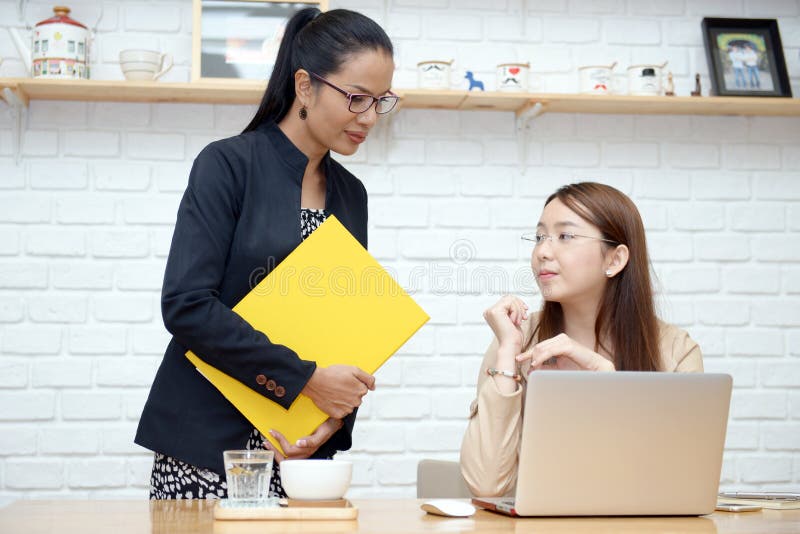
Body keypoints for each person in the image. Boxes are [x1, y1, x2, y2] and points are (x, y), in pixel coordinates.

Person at [135, 7, 397, 499]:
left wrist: (333, 422)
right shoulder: (227, 165)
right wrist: (304, 381)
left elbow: (347, 325)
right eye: (356, 97)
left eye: (380, 100)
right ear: (305, 86)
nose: (368, 117)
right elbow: (188, 305)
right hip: (205, 446)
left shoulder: (351, 194)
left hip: (300, 453)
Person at [459, 182, 703, 497]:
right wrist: (507, 352)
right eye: (539, 237)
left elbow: (681, 481)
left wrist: (605, 378)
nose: (542, 252)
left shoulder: (675, 351)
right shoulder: (517, 341)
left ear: (614, 260)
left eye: (565, 236)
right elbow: (487, 486)